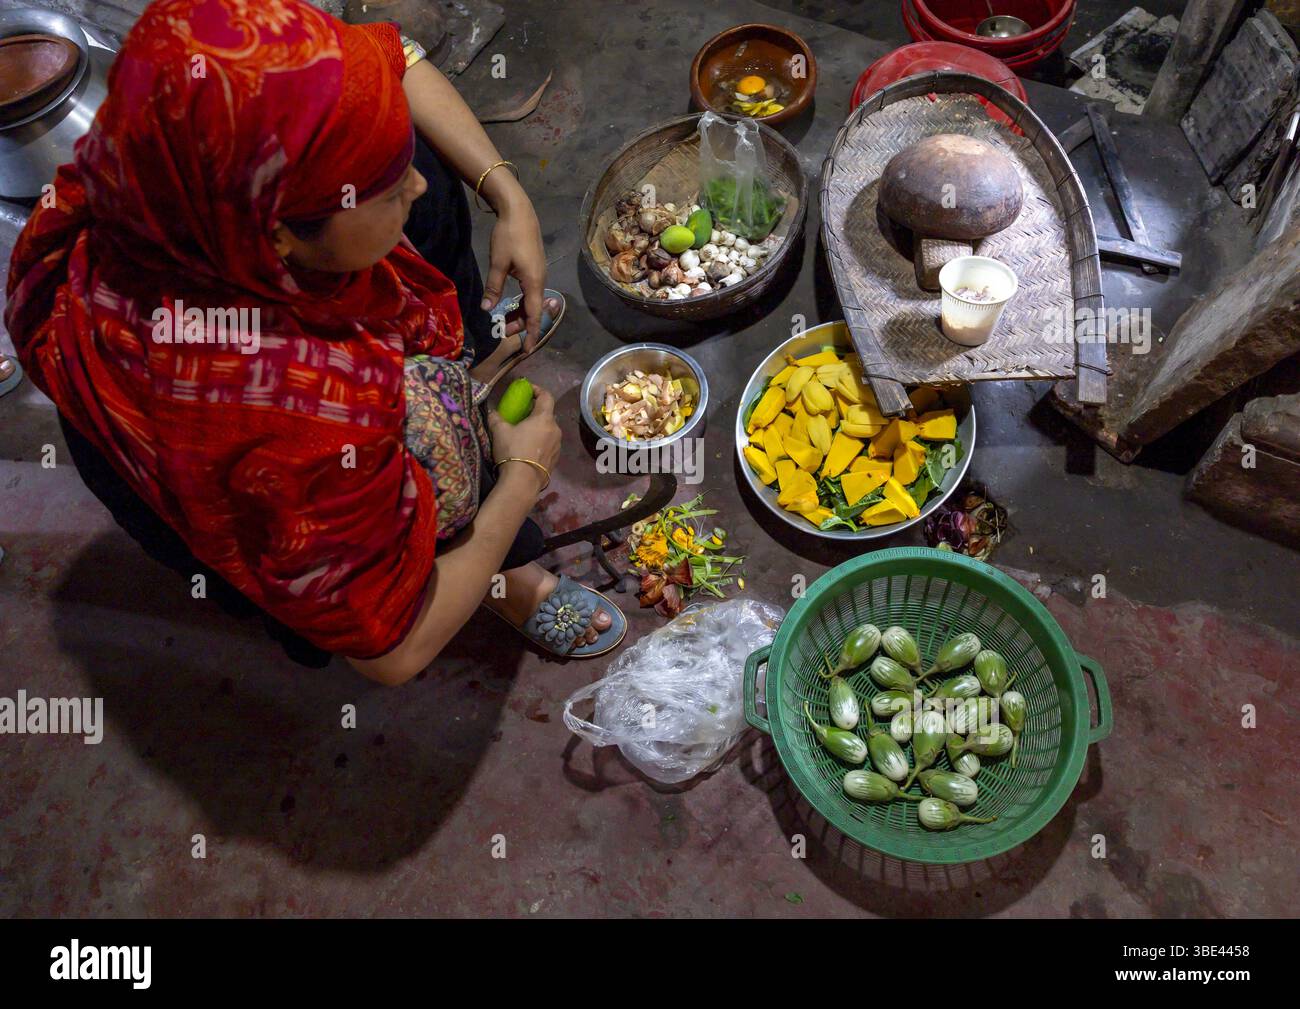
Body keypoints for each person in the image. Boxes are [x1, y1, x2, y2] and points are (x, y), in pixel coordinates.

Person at [4, 0, 624, 685]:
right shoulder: (304, 425)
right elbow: (391, 654)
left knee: (428, 165)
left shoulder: (173, 146)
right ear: (278, 238)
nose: (409, 188)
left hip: (201, 385)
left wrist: (508, 196)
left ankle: (469, 372)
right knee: (439, 435)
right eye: (387, 195)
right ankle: (505, 571)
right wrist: (522, 476)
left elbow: (393, 63)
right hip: (237, 485)